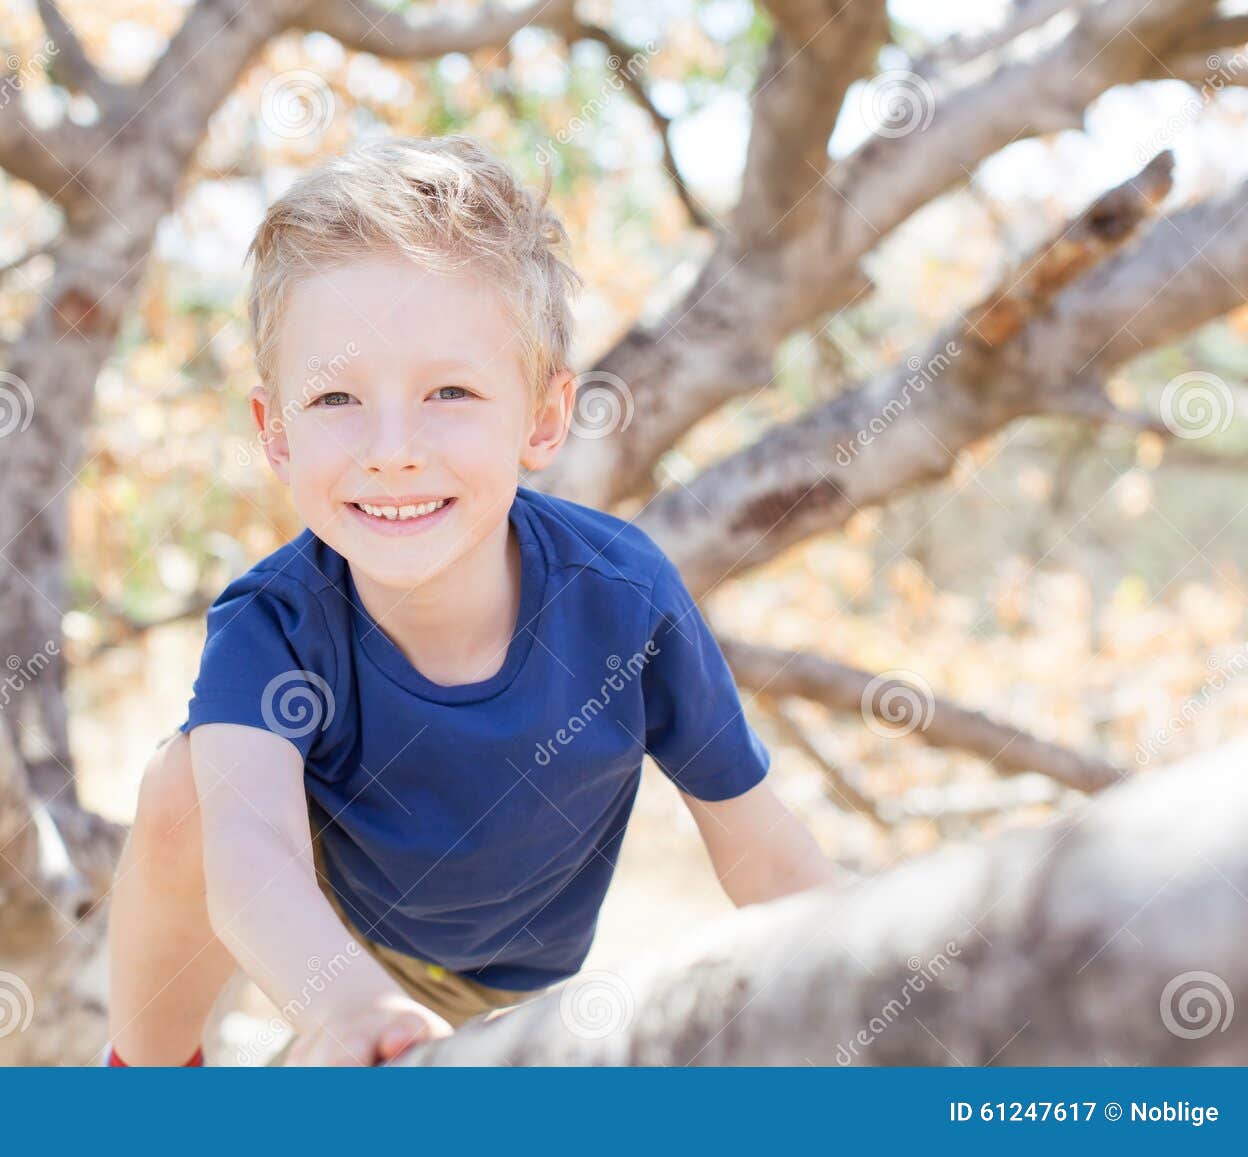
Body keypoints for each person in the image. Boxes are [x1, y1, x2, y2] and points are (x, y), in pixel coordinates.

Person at [106, 134, 839, 1068]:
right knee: (183, 784)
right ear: (275, 432)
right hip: (324, 938)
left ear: (542, 417)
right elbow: (251, 852)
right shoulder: (275, 622)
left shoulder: (622, 599)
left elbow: (761, 845)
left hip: (511, 980)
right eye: (335, 399)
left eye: (449, 390)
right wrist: (347, 1005)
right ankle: (143, 1084)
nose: (393, 447)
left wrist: (872, 967)